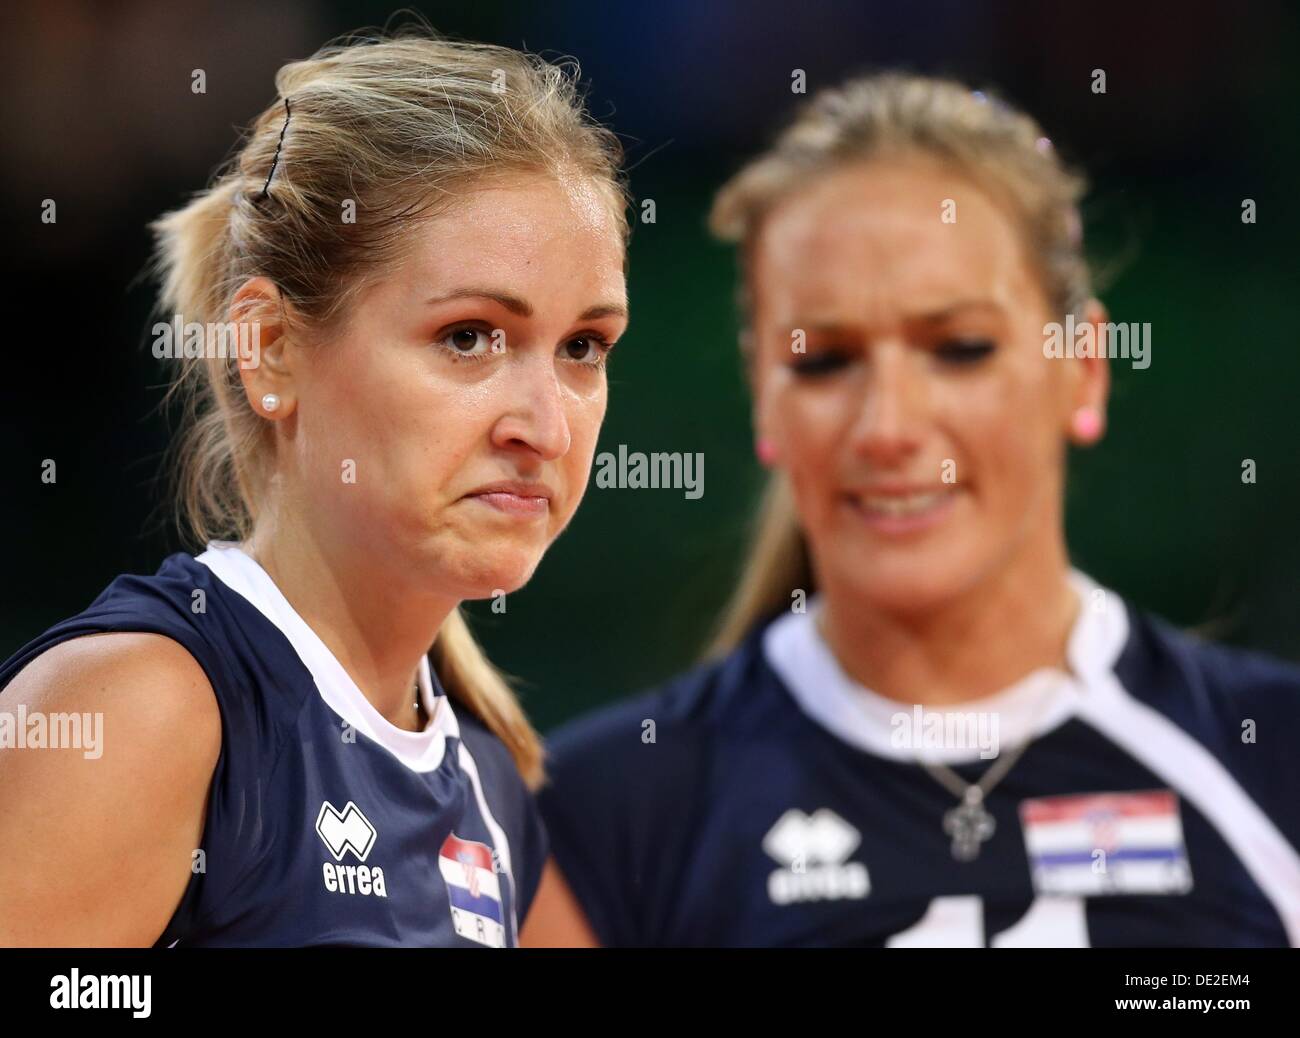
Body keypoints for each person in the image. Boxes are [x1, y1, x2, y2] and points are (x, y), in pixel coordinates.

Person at [534, 73, 1300, 947]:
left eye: (960, 349)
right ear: (762, 394)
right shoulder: (603, 818)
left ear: (1083, 368)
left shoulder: (1273, 759)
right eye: (824, 359)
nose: (888, 427)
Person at [0, 27, 630, 947]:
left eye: (583, 348)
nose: (544, 425)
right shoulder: (140, 711)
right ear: (270, 350)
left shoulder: (498, 796)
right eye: (468, 336)